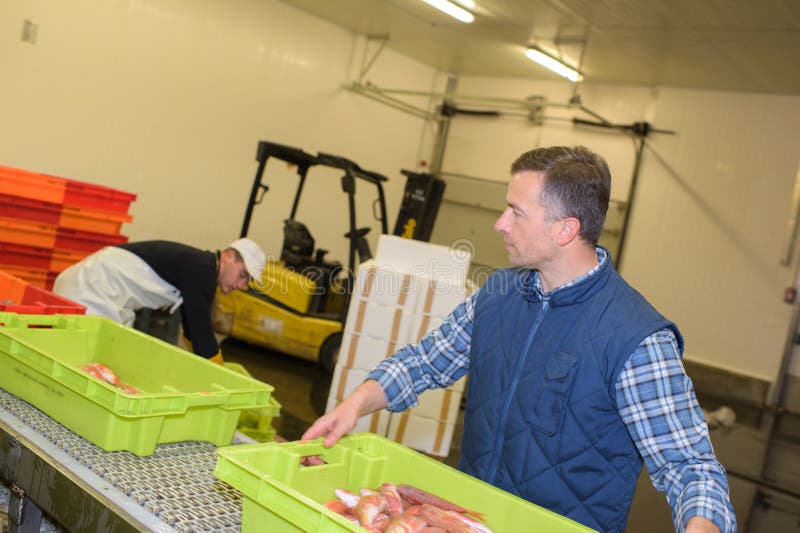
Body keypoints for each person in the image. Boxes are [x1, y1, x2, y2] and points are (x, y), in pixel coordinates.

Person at [303, 146, 736, 533]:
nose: (500, 224)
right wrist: (354, 404)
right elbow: (424, 362)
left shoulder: (634, 337)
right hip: (472, 521)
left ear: (565, 230)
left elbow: (692, 469)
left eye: (517, 212)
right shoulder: (497, 295)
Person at [53, 238, 266, 362]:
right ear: (228, 256)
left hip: (98, 288)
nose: (241, 285)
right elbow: (202, 334)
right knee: (94, 361)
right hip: (92, 286)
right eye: (242, 275)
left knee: (111, 357)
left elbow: (193, 330)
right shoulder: (203, 270)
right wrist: (222, 376)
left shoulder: (200, 267)